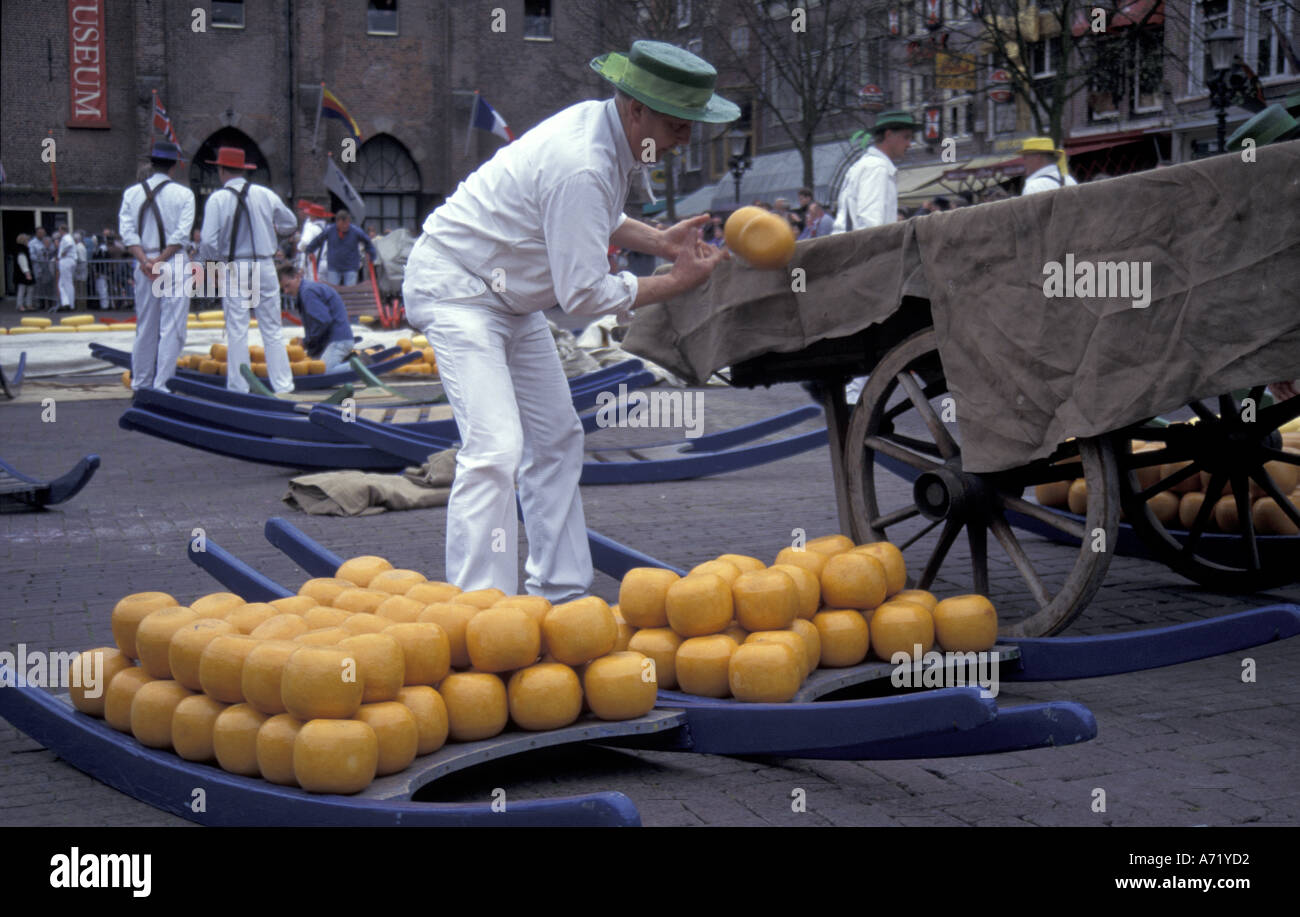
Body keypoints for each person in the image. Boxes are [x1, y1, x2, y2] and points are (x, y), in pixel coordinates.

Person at [401, 39, 734, 601]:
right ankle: (480, 611)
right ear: (637, 110)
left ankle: (560, 594)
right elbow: (582, 296)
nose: (686, 138)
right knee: (496, 449)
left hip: (508, 297)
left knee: (556, 437)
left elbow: (590, 214)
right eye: (679, 124)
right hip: (457, 289)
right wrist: (674, 283)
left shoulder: (600, 132)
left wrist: (656, 239)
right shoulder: (583, 163)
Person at [199, 146, 298, 394]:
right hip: (264, 264)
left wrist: (212, 266)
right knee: (272, 328)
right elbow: (290, 223)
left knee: (237, 330)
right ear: (243, 170)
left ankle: (238, 387)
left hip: (235, 265)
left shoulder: (218, 199)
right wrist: (274, 231)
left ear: (222, 170)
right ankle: (283, 385)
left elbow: (208, 242)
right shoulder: (265, 194)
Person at [118, 140, 196, 392]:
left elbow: (127, 232)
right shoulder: (184, 194)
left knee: (146, 327)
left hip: (144, 264)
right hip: (172, 262)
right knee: (172, 327)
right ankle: (162, 385)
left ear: (152, 164)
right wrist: (160, 261)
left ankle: (140, 384)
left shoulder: (132, 193)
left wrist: (145, 261)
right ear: (174, 166)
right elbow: (182, 235)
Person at [833, 110, 919, 234]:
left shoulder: (868, 165)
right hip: (864, 251)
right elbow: (870, 225)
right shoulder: (877, 168)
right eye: (906, 137)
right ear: (888, 135)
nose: (909, 144)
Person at [277, 263, 354, 369]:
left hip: (337, 340)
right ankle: (350, 363)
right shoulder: (308, 289)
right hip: (333, 340)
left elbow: (322, 322)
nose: (286, 291)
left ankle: (361, 366)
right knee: (314, 368)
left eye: (288, 285)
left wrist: (306, 342)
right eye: (283, 289)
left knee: (322, 373)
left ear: (297, 277)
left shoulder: (307, 292)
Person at [301, 208, 375, 286]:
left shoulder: (355, 231)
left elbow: (367, 242)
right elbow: (318, 240)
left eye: (347, 223)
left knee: (350, 291)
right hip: (334, 266)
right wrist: (309, 250)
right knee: (333, 290)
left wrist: (371, 254)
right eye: (343, 224)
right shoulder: (330, 230)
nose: (345, 226)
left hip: (351, 266)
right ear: (337, 222)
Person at [54, 225, 77, 312]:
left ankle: (70, 304)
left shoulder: (66, 237)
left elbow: (69, 244)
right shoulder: (67, 238)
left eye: (59, 230)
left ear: (62, 230)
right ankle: (66, 303)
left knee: (67, 283)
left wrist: (64, 251)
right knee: (61, 284)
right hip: (66, 260)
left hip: (66, 260)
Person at [14, 234, 34, 311]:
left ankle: (28, 304)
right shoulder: (21, 250)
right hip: (23, 273)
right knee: (22, 289)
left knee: (28, 289)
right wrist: (27, 273)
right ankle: (20, 305)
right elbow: (23, 262)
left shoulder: (23, 249)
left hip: (23, 272)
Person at [73, 230, 89, 307]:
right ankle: (82, 305)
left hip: (79, 272)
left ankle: (80, 305)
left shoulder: (78, 247)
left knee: (80, 290)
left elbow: (80, 260)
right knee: (82, 290)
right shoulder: (82, 246)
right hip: (82, 272)